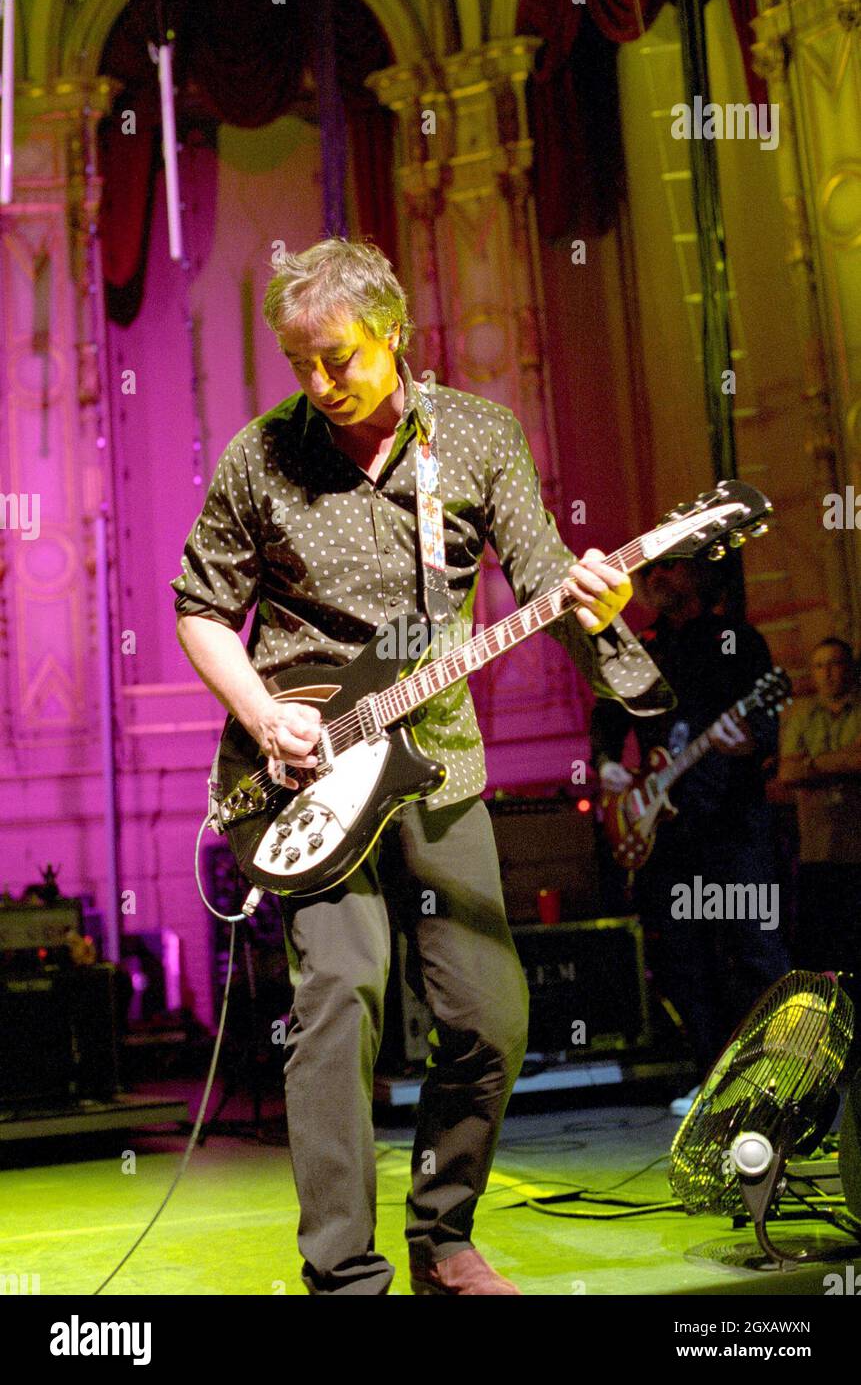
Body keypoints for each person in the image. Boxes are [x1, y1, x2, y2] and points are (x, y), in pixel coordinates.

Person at [171, 237, 655, 1296]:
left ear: (393, 334)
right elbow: (201, 609)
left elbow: (542, 582)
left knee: (490, 1015)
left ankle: (444, 1236)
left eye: (338, 357)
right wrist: (261, 715)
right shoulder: (261, 456)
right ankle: (343, 1273)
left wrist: (600, 604)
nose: (319, 383)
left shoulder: (475, 438)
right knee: (339, 994)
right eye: (299, 362)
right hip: (307, 777)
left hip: (436, 762)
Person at [591, 557, 790, 1108]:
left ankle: (779, 1083)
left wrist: (747, 740)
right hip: (667, 833)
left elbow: (766, 727)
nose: (655, 576)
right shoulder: (641, 647)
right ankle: (712, 1075)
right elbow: (606, 721)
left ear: (702, 578)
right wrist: (608, 764)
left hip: (733, 825)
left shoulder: (738, 641)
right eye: (651, 569)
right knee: (683, 959)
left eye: (671, 567)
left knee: (756, 953)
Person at [779, 637, 861, 975]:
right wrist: (840, 761)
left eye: (835, 664)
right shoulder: (801, 715)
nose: (827, 673)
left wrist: (811, 765)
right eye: (819, 665)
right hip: (817, 850)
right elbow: (787, 772)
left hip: (857, 847)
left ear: (849, 668)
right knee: (823, 948)